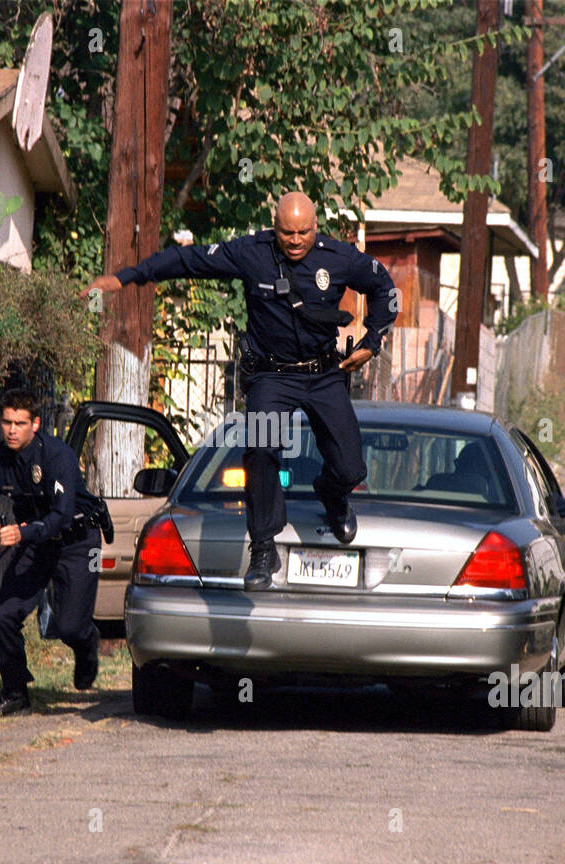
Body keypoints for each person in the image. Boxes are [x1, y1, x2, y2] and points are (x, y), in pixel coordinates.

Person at [80, 191, 398, 590]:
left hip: (323, 375)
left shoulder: (339, 257)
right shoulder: (252, 252)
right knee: (262, 450)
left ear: (315, 228)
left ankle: (332, 495)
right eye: (286, 232)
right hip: (271, 377)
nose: (295, 240)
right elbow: (187, 261)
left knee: (352, 467)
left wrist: (372, 341)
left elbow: (385, 287)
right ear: (274, 225)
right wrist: (127, 276)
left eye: (303, 232)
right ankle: (263, 548)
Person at [0, 389, 103, 718]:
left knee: (69, 627)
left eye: (20, 423)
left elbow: (62, 515)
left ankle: (88, 644)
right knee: (2, 617)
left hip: (75, 541)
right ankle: (15, 694)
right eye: (7, 422)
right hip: (35, 543)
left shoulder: (58, 456)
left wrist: (22, 532)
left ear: (36, 424)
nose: (12, 430)